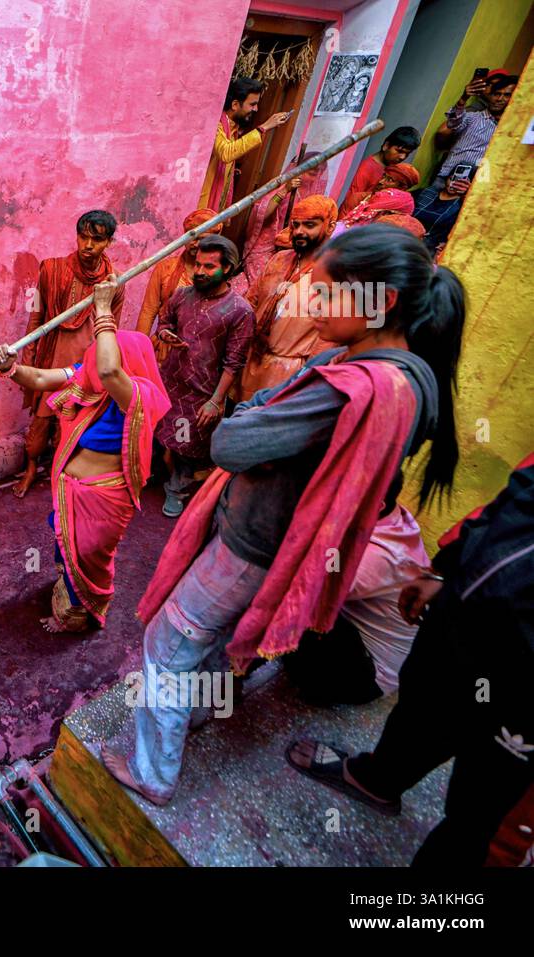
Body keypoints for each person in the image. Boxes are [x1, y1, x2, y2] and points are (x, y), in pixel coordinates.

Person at [101, 224, 463, 806]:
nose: (308, 305)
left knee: (170, 642)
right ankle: (195, 714)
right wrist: (261, 406)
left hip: (256, 541)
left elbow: (230, 444)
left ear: (383, 301)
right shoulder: (410, 376)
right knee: (217, 638)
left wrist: (250, 409)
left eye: (325, 293)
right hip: (290, 543)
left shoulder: (347, 385)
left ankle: (152, 771)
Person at [288, 452, 533, 866]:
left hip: (523, 684)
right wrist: (446, 569)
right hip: (465, 615)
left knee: (480, 818)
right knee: (422, 711)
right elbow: (509, 503)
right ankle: (375, 780)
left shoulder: (374, 552)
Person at [0, 280, 171, 633]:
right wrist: (10, 367)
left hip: (103, 497)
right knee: (65, 546)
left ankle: (78, 614)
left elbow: (108, 370)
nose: (97, 359)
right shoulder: (91, 381)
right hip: (68, 488)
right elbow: (42, 378)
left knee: (90, 558)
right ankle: (69, 588)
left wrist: (103, 311)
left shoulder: (137, 395)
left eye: (107, 351)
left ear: (125, 361)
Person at [284, 475, 430, 705]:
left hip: (367, 677)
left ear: (377, 504)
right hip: (368, 651)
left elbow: (304, 592)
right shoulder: (392, 517)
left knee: (291, 606)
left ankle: (317, 688)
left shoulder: (376, 557)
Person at [15, 210, 128, 499]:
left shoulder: (114, 283)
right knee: (40, 420)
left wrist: (101, 367)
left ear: (109, 243)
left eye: (97, 239)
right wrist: (29, 357)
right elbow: (36, 316)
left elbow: (110, 330)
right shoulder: (51, 269)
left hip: (85, 364)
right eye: (83, 236)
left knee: (73, 423)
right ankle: (30, 470)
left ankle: (62, 476)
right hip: (51, 358)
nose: (88, 245)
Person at [151, 236, 254, 518]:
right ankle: (148, 476)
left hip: (201, 392)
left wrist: (215, 401)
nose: (199, 272)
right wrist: (164, 334)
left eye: (209, 267)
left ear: (228, 268)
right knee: (155, 434)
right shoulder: (182, 295)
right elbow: (166, 319)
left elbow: (235, 362)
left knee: (187, 448)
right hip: (168, 381)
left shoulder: (240, 311)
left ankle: (176, 490)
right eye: (197, 265)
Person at [237, 195, 338, 400]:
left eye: (309, 225)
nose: (299, 231)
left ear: (330, 227)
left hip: (288, 373)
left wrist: (305, 380)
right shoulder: (279, 259)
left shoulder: (337, 274)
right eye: (295, 225)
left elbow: (328, 339)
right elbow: (251, 301)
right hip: (250, 362)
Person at [199, 76, 292, 211]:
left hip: (213, 206)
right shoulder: (217, 124)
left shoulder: (233, 128)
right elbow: (226, 153)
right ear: (235, 104)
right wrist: (263, 128)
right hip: (200, 203)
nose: (255, 109)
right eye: (252, 104)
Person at [427, 70, 518, 193]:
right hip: (446, 179)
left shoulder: (515, 129)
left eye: (507, 95)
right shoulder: (473, 117)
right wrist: (463, 98)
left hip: (477, 187)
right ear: (490, 96)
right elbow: (452, 122)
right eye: (496, 94)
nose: (500, 99)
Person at [241, 156, 327, 285]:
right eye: (310, 171)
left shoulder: (314, 196)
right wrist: (285, 190)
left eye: (317, 174)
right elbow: (262, 214)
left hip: (292, 249)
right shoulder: (281, 183)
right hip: (267, 246)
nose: (314, 176)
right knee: (261, 283)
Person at [136, 208, 216, 335]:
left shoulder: (216, 275)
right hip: (162, 344)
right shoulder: (165, 268)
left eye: (203, 239)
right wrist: (140, 349)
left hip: (196, 349)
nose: (196, 244)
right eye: (192, 237)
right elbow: (148, 311)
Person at [340, 126, 422, 217]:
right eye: (399, 151)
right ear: (386, 146)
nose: (402, 157)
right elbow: (350, 205)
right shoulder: (366, 169)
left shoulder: (394, 170)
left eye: (407, 154)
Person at [414, 167, 472, 255]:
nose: (454, 184)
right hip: (406, 235)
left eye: (461, 182)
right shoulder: (427, 192)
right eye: (452, 179)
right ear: (446, 178)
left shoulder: (462, 209)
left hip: (427, 249)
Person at [339, 160, 420, 219]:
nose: (381, 181)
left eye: (390, 180)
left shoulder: (398, 217)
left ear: (402, 189)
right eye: (383, 176)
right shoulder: (357, 199)